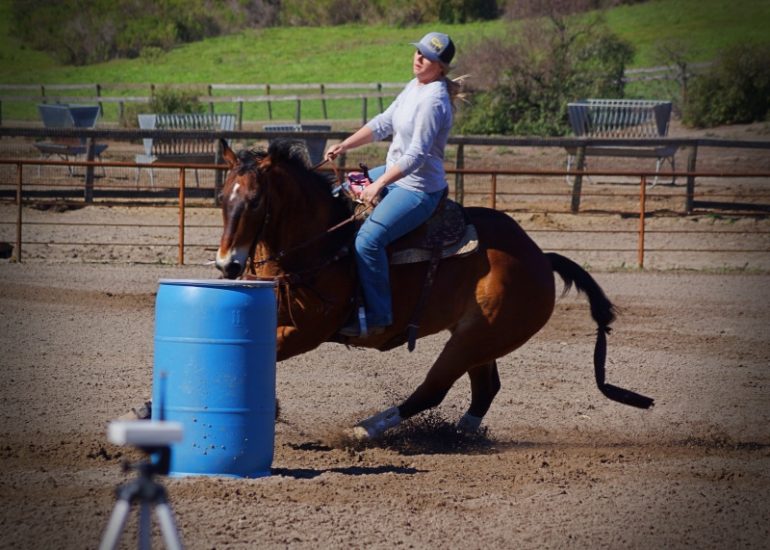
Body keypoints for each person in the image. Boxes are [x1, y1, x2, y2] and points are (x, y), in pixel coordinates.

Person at [326, 31, 464, 337]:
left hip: (418, 189)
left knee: (368, 241)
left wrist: (378, 185)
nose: (418, 58)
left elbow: (416, 156)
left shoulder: (434, 101)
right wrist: (345, 145)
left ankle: (378, 315)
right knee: (338, 194)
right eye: (418, 52)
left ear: (440, 66)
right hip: (392, 172)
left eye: (427, 56)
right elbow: (383, 123)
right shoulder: (415, 86)